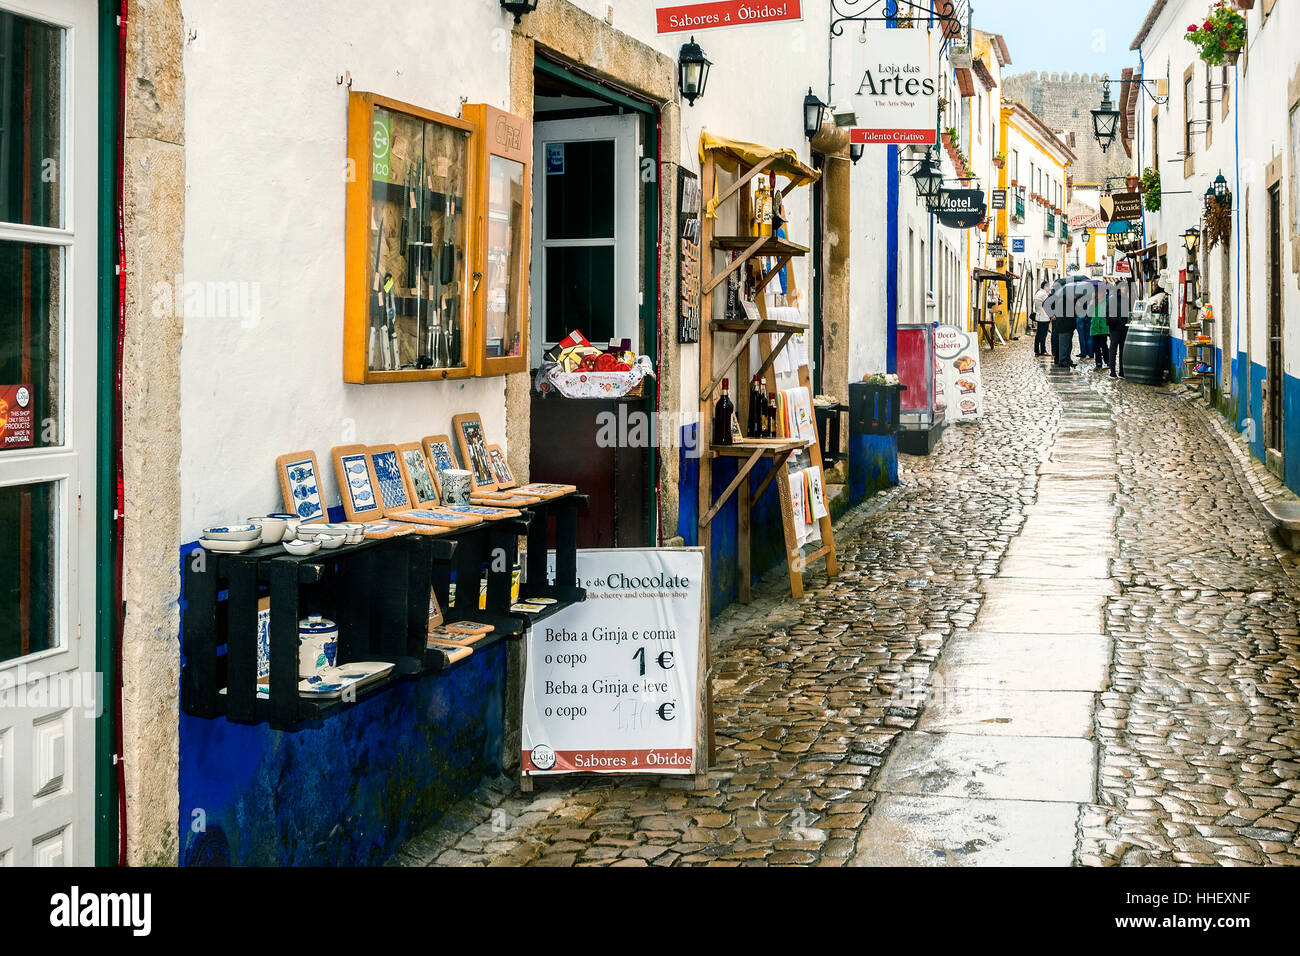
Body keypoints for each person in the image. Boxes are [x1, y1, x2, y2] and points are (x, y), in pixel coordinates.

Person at [1107, 277, 1130, 378]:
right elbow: (1108, 313)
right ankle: (1112, 371)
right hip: (1115, 328)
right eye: (1122, 287)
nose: (1124, 289)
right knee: (1113, 349)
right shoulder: (1112, 298)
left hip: (1124, 328)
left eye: (1125, 287)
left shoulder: (1126, 299)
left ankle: (1122, 371)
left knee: (1122, 350)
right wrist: (1113, 321)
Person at [1090, 280, 1111, 371]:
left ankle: (1107, 361)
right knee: (1096, 346)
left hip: (1103, 327)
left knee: (1103, 344)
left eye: (1098, 293)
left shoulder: (1107, 301)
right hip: (1094, 326)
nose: (1097, 295)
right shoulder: (1093, 302)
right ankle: (1098, 362)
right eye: (1096, 293)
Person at [1032, 280, 1051, 357]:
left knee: (1038, 334)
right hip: (1044, 317)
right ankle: (1043, 350)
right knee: (1043, 334)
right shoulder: (1044, 294)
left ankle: (1036, 350)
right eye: (1048, 287)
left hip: (1039, 316)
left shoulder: (1038, 293)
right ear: (1045, 287)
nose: (1049, 288)